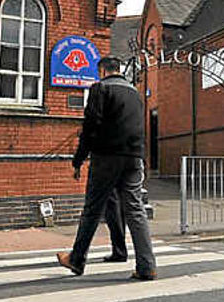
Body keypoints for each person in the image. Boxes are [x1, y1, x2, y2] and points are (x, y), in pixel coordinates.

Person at [57, 56, 156, 280]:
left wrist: (78, 159)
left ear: (102, 71)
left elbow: (90, 127)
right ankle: (147, 265)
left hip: (107, 158)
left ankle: (76, 259)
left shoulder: (100, 89)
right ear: (118, 70)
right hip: (134, 158)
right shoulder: (135, 93)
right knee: (135, 210)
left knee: (92, 210)